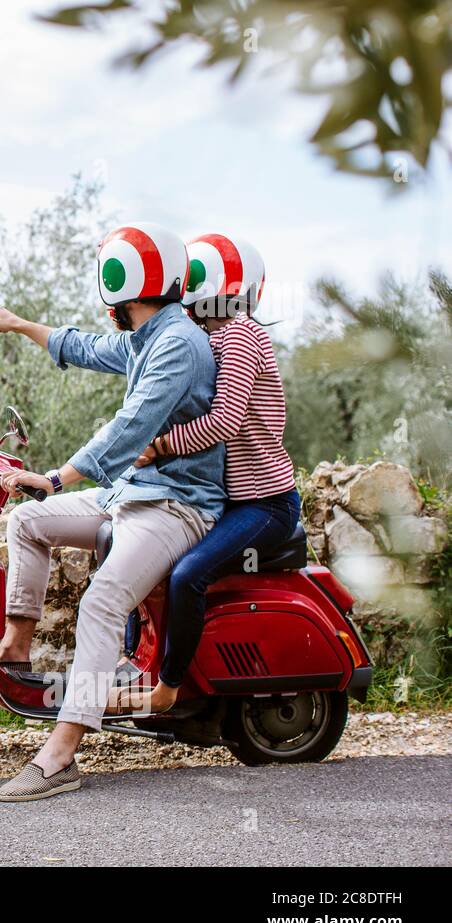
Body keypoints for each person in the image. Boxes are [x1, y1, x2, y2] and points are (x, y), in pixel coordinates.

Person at [0, 221, 225, 803]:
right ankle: (17, 644)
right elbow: (84, 347)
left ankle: (61, 755)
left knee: (104, 598)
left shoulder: (177, 345)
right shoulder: (149, 335)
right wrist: (19, 325)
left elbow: (132, 423)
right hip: (132, 494)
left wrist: (56, 477)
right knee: (28, 522)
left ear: (121, 282)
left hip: (176, 505)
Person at [107, 234, 299, 715]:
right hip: (230, 501)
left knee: (188, 574)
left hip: (264, 505)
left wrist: (159, 446)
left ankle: (168, 688)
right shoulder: (211, 337)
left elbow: (224, 422)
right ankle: (135, 659)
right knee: (140, 551)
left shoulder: (240, 335)